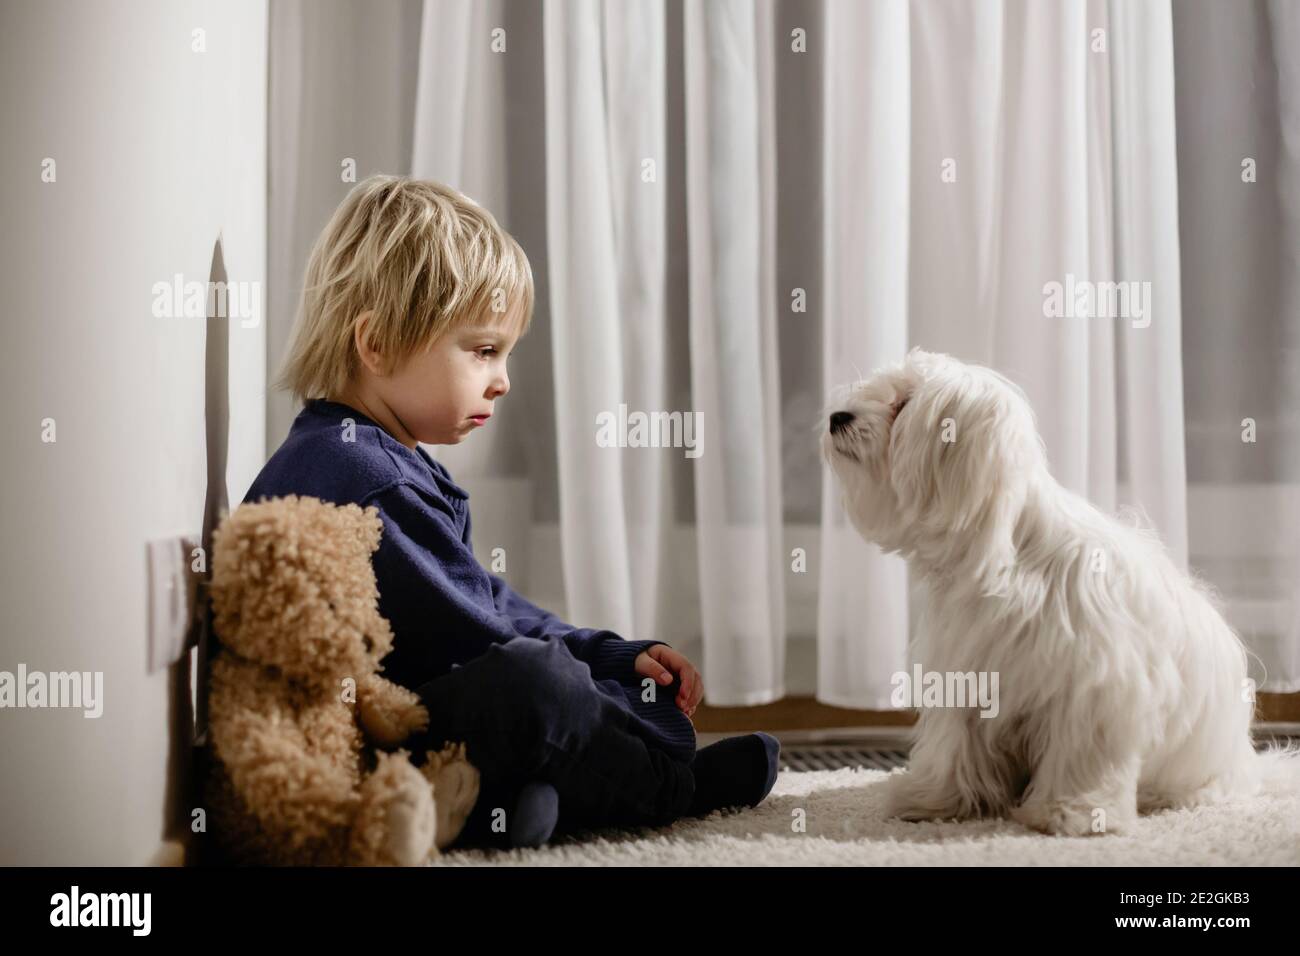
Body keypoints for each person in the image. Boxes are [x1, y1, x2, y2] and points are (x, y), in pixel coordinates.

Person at [243, 175, 779, 850]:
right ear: (375, 345)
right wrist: (602, 690)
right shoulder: (366, 476)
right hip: (359, 751)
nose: (502, 379)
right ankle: (678, 786)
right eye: (483, 350)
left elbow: (482, 597)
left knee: (549, 686)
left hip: (399, 726)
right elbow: (479, 638)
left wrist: (606, 653)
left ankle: (502, 807)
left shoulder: (366, 451)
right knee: (539, 688)